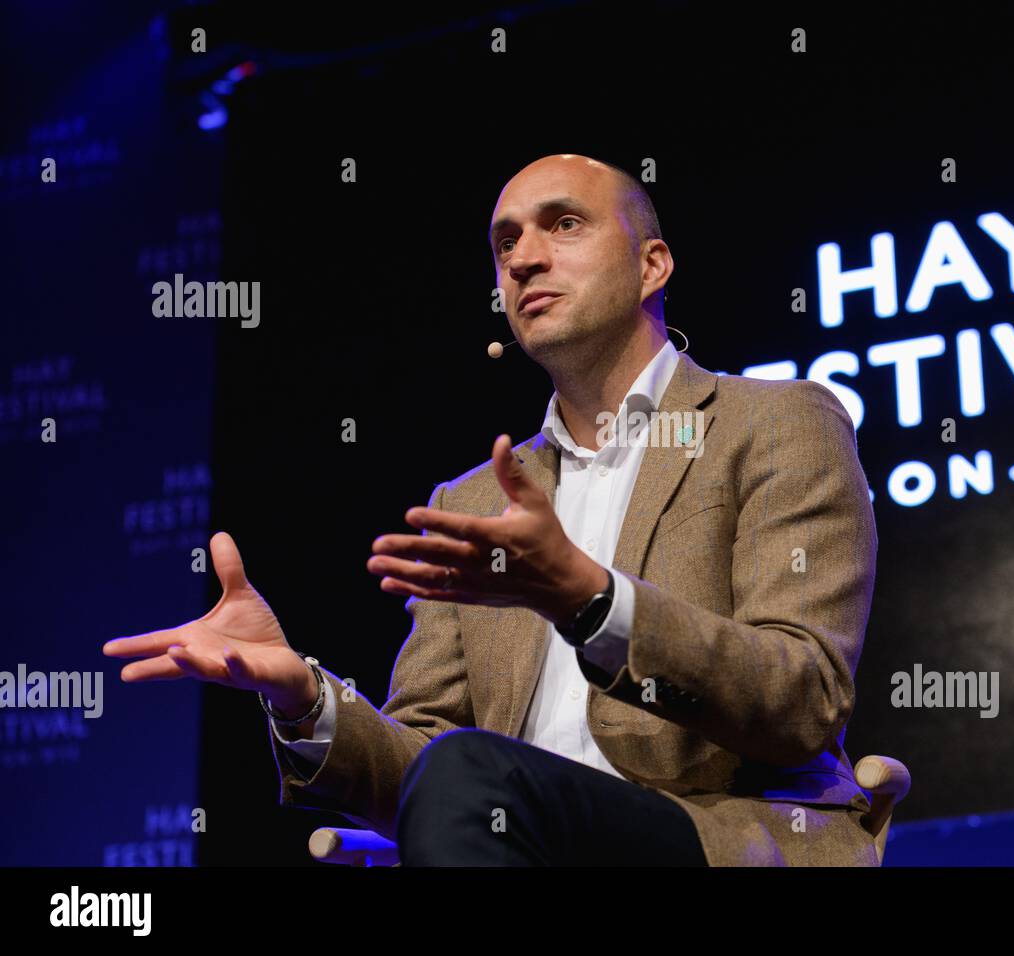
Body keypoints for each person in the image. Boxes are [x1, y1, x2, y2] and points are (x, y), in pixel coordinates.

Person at [104, 153, 881, 866]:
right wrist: (305, 696)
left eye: (563, 224)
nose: (523, 257)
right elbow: (425, 768)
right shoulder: (473, 500)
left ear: (652, 265)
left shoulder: (776, 421)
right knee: (458, 772)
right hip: (522, 845)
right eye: (504, 241)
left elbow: (802, 697)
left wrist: (590, 602)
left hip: (714, 842)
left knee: (471, 772)